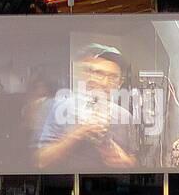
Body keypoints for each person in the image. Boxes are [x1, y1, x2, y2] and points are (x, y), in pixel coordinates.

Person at [33, 43, 140, 171]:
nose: (105, 83)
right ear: (87, 76)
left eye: (113, 77)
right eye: (99, 74)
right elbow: (40, 161)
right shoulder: (61, 108)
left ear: (119, 83)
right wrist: (79, 133)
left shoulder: (125, 116)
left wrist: (127, 162)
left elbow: (135, 160)